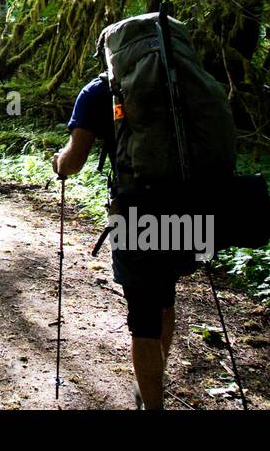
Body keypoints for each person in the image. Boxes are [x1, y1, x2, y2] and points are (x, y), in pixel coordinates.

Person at [52, 74, 196, 410]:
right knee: (165, 296)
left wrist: (58, 161)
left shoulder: (100, 90)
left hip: (139, 209)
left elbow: (73, 161)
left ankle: (152, 403)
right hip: (190, 204)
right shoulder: (182, 78)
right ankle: (152, 382)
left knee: (144, 311)